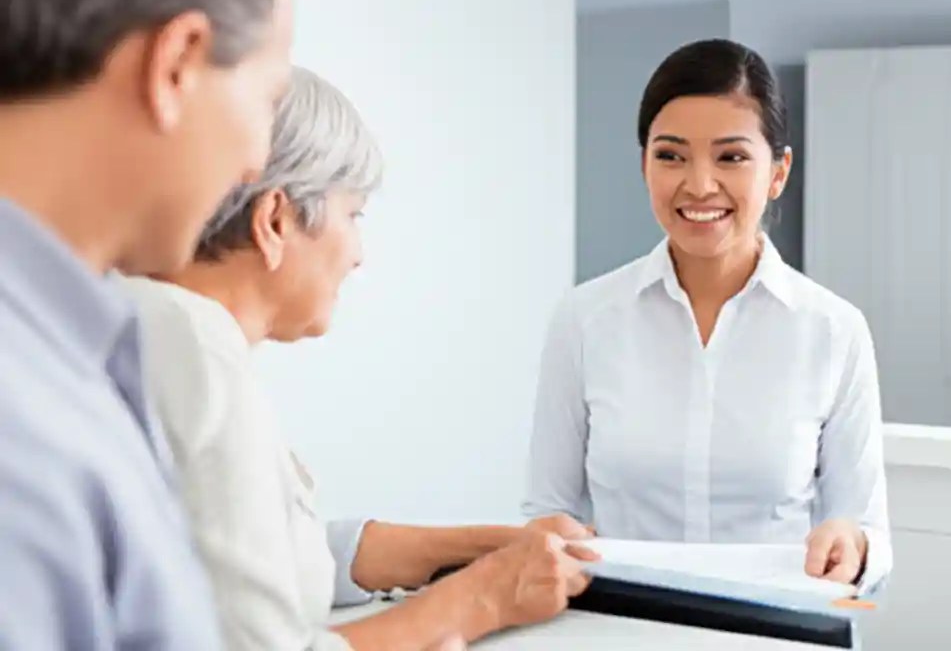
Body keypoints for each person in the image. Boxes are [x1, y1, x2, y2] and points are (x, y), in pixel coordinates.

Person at [122, 66, 597, 651]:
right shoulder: (194, 355)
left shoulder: (161, 328)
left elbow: (258, 552)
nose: (358, 254)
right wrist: (480, 599)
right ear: (276, 220)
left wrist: (478, 547)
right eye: (354, 215)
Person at [0, 0, 301, 648]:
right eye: (267, 100)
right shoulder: (22, 423)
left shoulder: (78, 352)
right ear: (177, 64)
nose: (257, 162)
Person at [523, 38, 893, 593]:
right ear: (644, 164)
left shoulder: (835, 331)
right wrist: (548, 538)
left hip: (774, 631)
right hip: (623, 629)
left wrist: (853, 544)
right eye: (670, 155)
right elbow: (546, 508)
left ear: (778, 171)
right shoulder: (583, 320)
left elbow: (864, 527)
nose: (699, 184)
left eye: (732, 156)